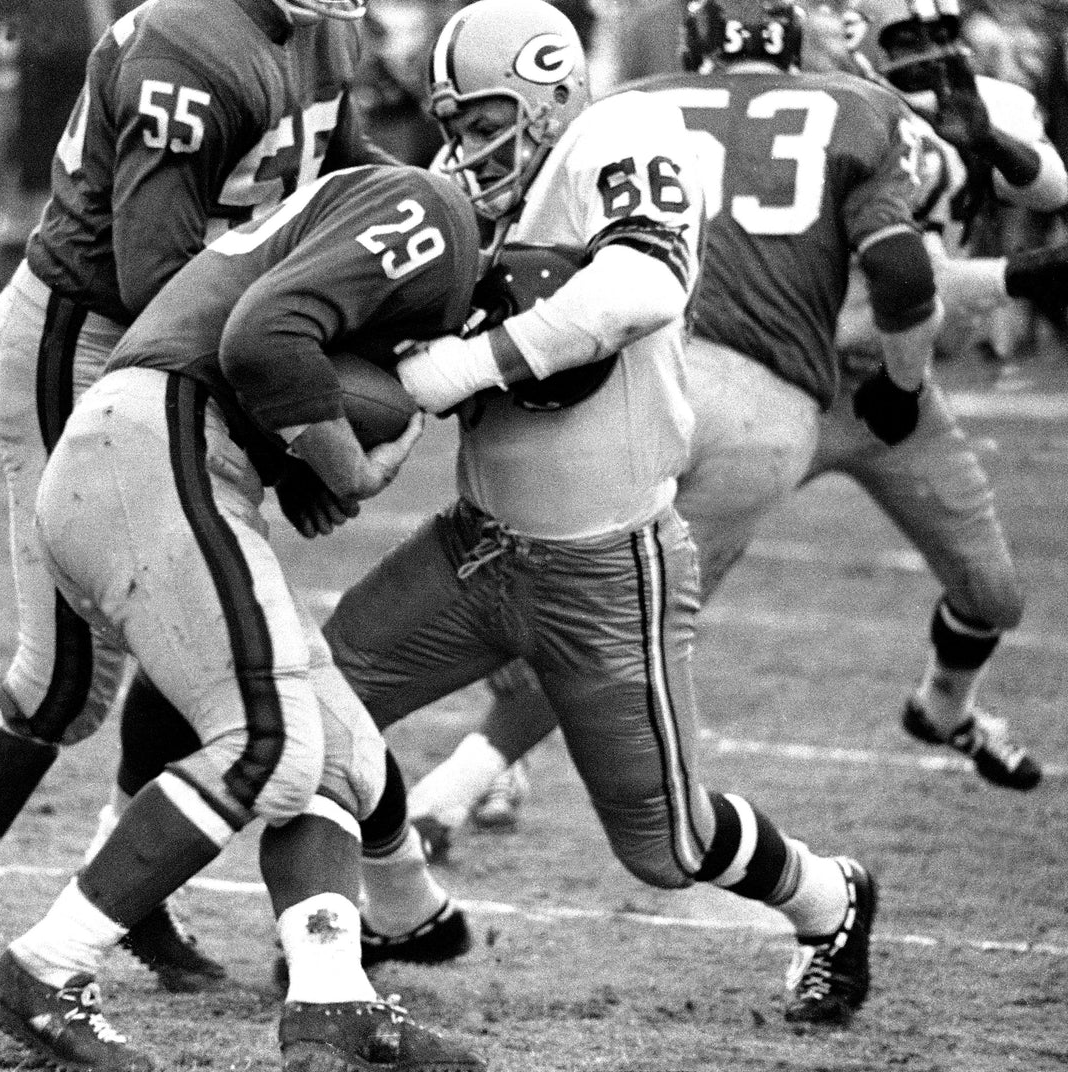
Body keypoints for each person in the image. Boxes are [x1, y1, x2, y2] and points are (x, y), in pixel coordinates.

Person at [331, 0, 947, 1027]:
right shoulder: (464, 192)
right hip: (476, 544)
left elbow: (640, 284)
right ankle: (401, 905)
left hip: (607, 567)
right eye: (457, 124)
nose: (468, 148)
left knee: (666, 846)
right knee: (312, 712)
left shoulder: (620, 133)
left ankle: (830, 897)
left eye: (487, 119)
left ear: (553, 92)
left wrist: (455, 368)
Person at [406, 0, 1068, 853]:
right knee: (626, 607)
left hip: (867, 387)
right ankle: (474, 777)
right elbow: (923, 268)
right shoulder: (852, 108)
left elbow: (1034, 189)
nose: (919, 54)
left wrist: (984, 135)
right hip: (786, 381)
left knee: (992, 595)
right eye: (899, 36)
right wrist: (1029, 269)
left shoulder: (933, 107)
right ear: (833, 36)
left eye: (930, 38)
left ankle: (945, 708)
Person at [0, 0, 409, 1004]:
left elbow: (343, 172)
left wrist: (434, 217)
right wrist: (292, 412)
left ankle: (133, 874)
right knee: (69, 672)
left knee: (201, 615)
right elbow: (154, 275)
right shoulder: (186, 45)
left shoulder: (322, 30)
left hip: (195, 340)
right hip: (88, 339)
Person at [0, 158, 487, 1070]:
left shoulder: (379, 199)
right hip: (152, 446)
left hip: (171, 457)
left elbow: (270, 335)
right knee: (268, 745)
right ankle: (48, 965)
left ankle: (333, 996)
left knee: (343, 757)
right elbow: (263, 337)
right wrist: (346, 462)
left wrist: (300, 452)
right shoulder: (432, 212)